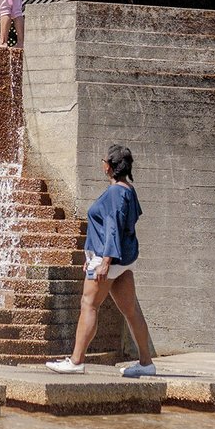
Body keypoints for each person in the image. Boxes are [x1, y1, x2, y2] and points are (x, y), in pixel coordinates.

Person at [46, 145, 157, 378]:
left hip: (110, 257)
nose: (102, 163)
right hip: (123, 260)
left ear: (109, 166)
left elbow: (113, 226)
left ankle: (76, 361)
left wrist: (104, 260)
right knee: (130, 310)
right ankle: (146, 363)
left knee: (89, 305)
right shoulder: (128, 189)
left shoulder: (115, 193)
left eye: (104, 160)